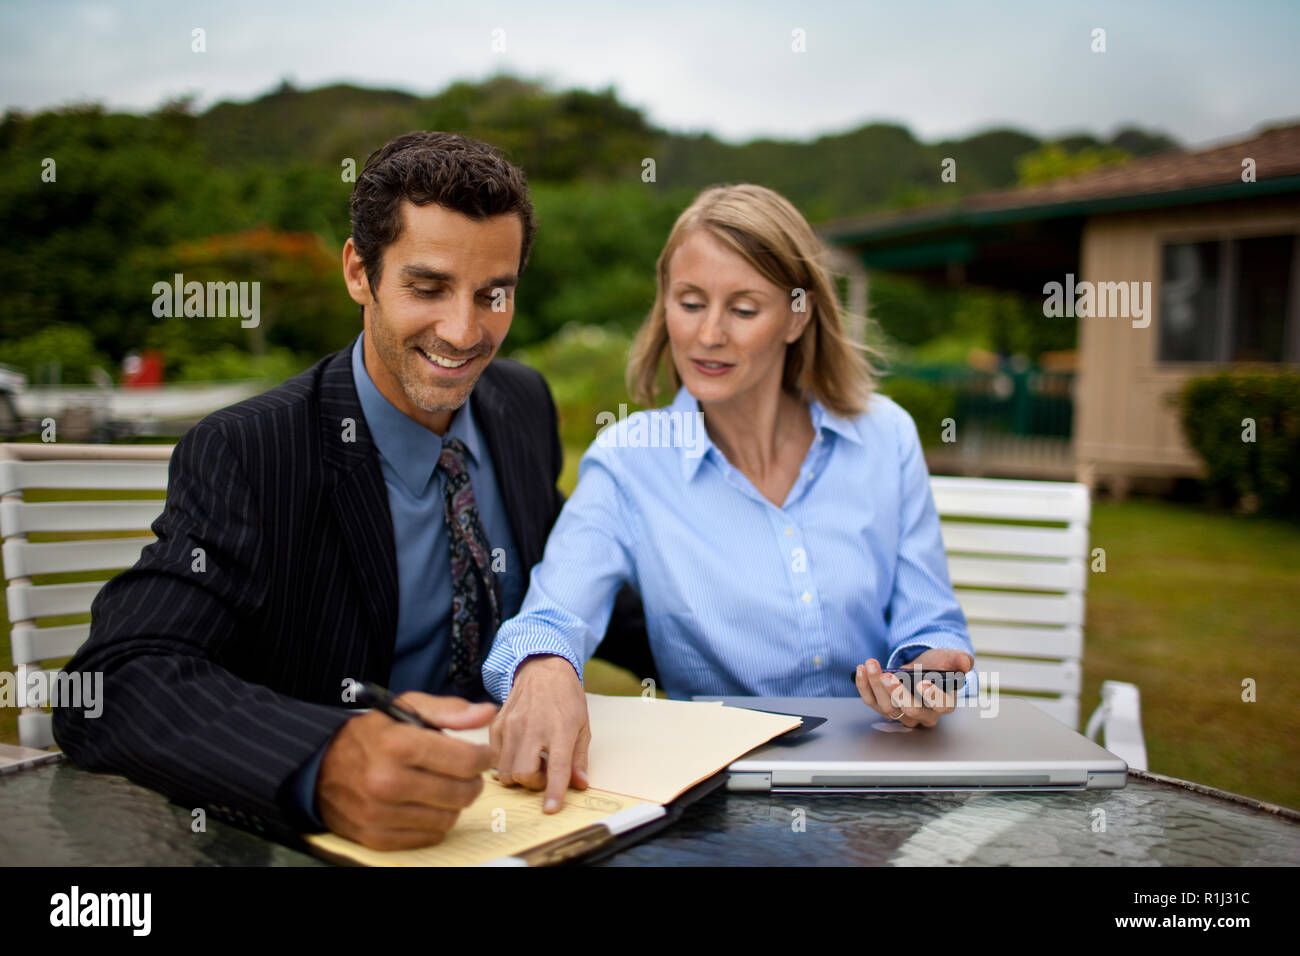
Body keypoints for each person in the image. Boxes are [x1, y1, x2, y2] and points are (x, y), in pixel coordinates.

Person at [53, 131, 645, 851]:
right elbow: (117, 679)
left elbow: (572, 572)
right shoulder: (251, 453)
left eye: (494, 293)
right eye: (426, 288)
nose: (463, 333)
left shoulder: (520, 402)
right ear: (359, 272)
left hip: (532, 822)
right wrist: (325, 759)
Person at [484, 184, 978, 813]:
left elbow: (931, 624)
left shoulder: (886, 438)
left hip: (883, 785)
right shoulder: (629, 462)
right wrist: (545, 667)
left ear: (796, 316)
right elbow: (553, 614)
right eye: (690, 303)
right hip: (721, 798)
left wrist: (926, 677)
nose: (708, 334)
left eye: (744, 310)